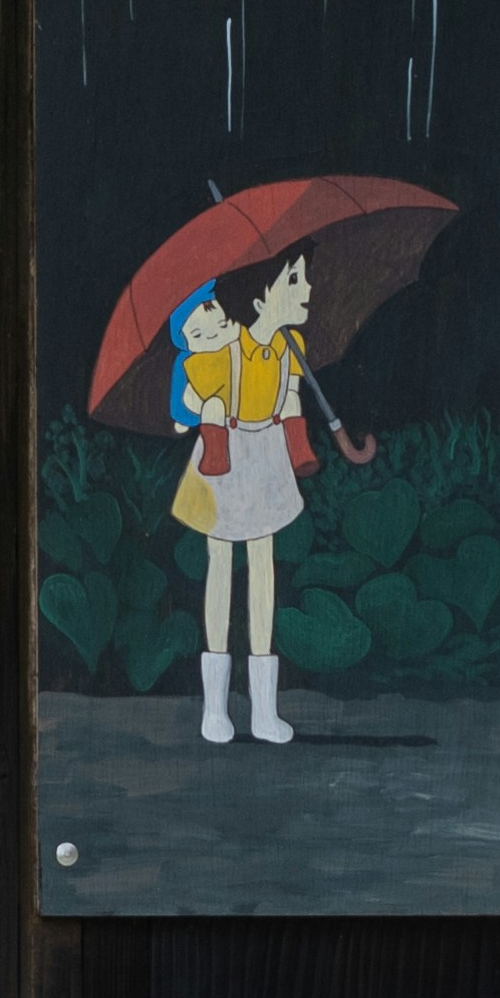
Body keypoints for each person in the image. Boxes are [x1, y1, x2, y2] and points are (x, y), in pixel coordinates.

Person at [173, 250, 318, 742]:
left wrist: (301, 441)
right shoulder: (219, 354)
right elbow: (190, 402)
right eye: (294, 279)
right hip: (225, 457)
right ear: (259, 297)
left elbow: (290, 399)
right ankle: (215, 707)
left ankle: (263, 710)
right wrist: (202, 404)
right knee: (220, 566)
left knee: (264, 568)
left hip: (268, 456)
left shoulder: (289, 346)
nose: (307, 290)